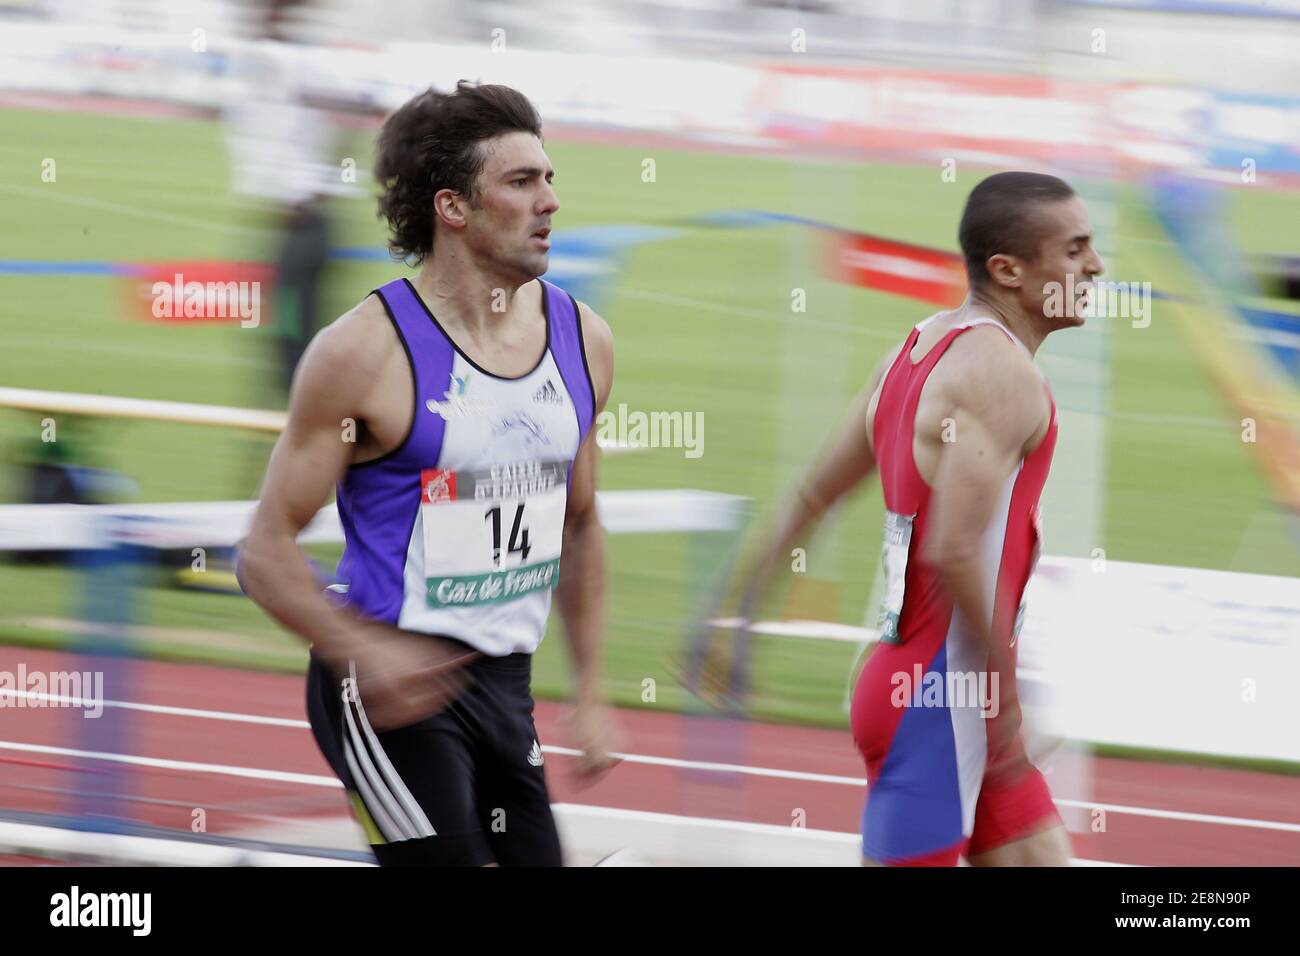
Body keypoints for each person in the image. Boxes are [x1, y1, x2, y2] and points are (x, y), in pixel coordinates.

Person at [237, 81, 621, 866]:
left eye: (549, 179)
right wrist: (363, 651)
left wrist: (590, 689)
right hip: (381, 694)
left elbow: (579, 523)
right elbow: (264, 550)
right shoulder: (362, 354)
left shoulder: (584, 341)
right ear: (454, 208)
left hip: (504, 687)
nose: (549, 201)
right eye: (520, 182)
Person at [735, 171, 1105, 866]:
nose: (1095, 265)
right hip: (938, 710)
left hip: (938, 695)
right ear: (1009, 270)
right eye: (1076, 248)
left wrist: (732, 617)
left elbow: (813, 495)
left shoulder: (915, 349)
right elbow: (954, 551)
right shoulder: (1001, 374)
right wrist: (1005, 696)